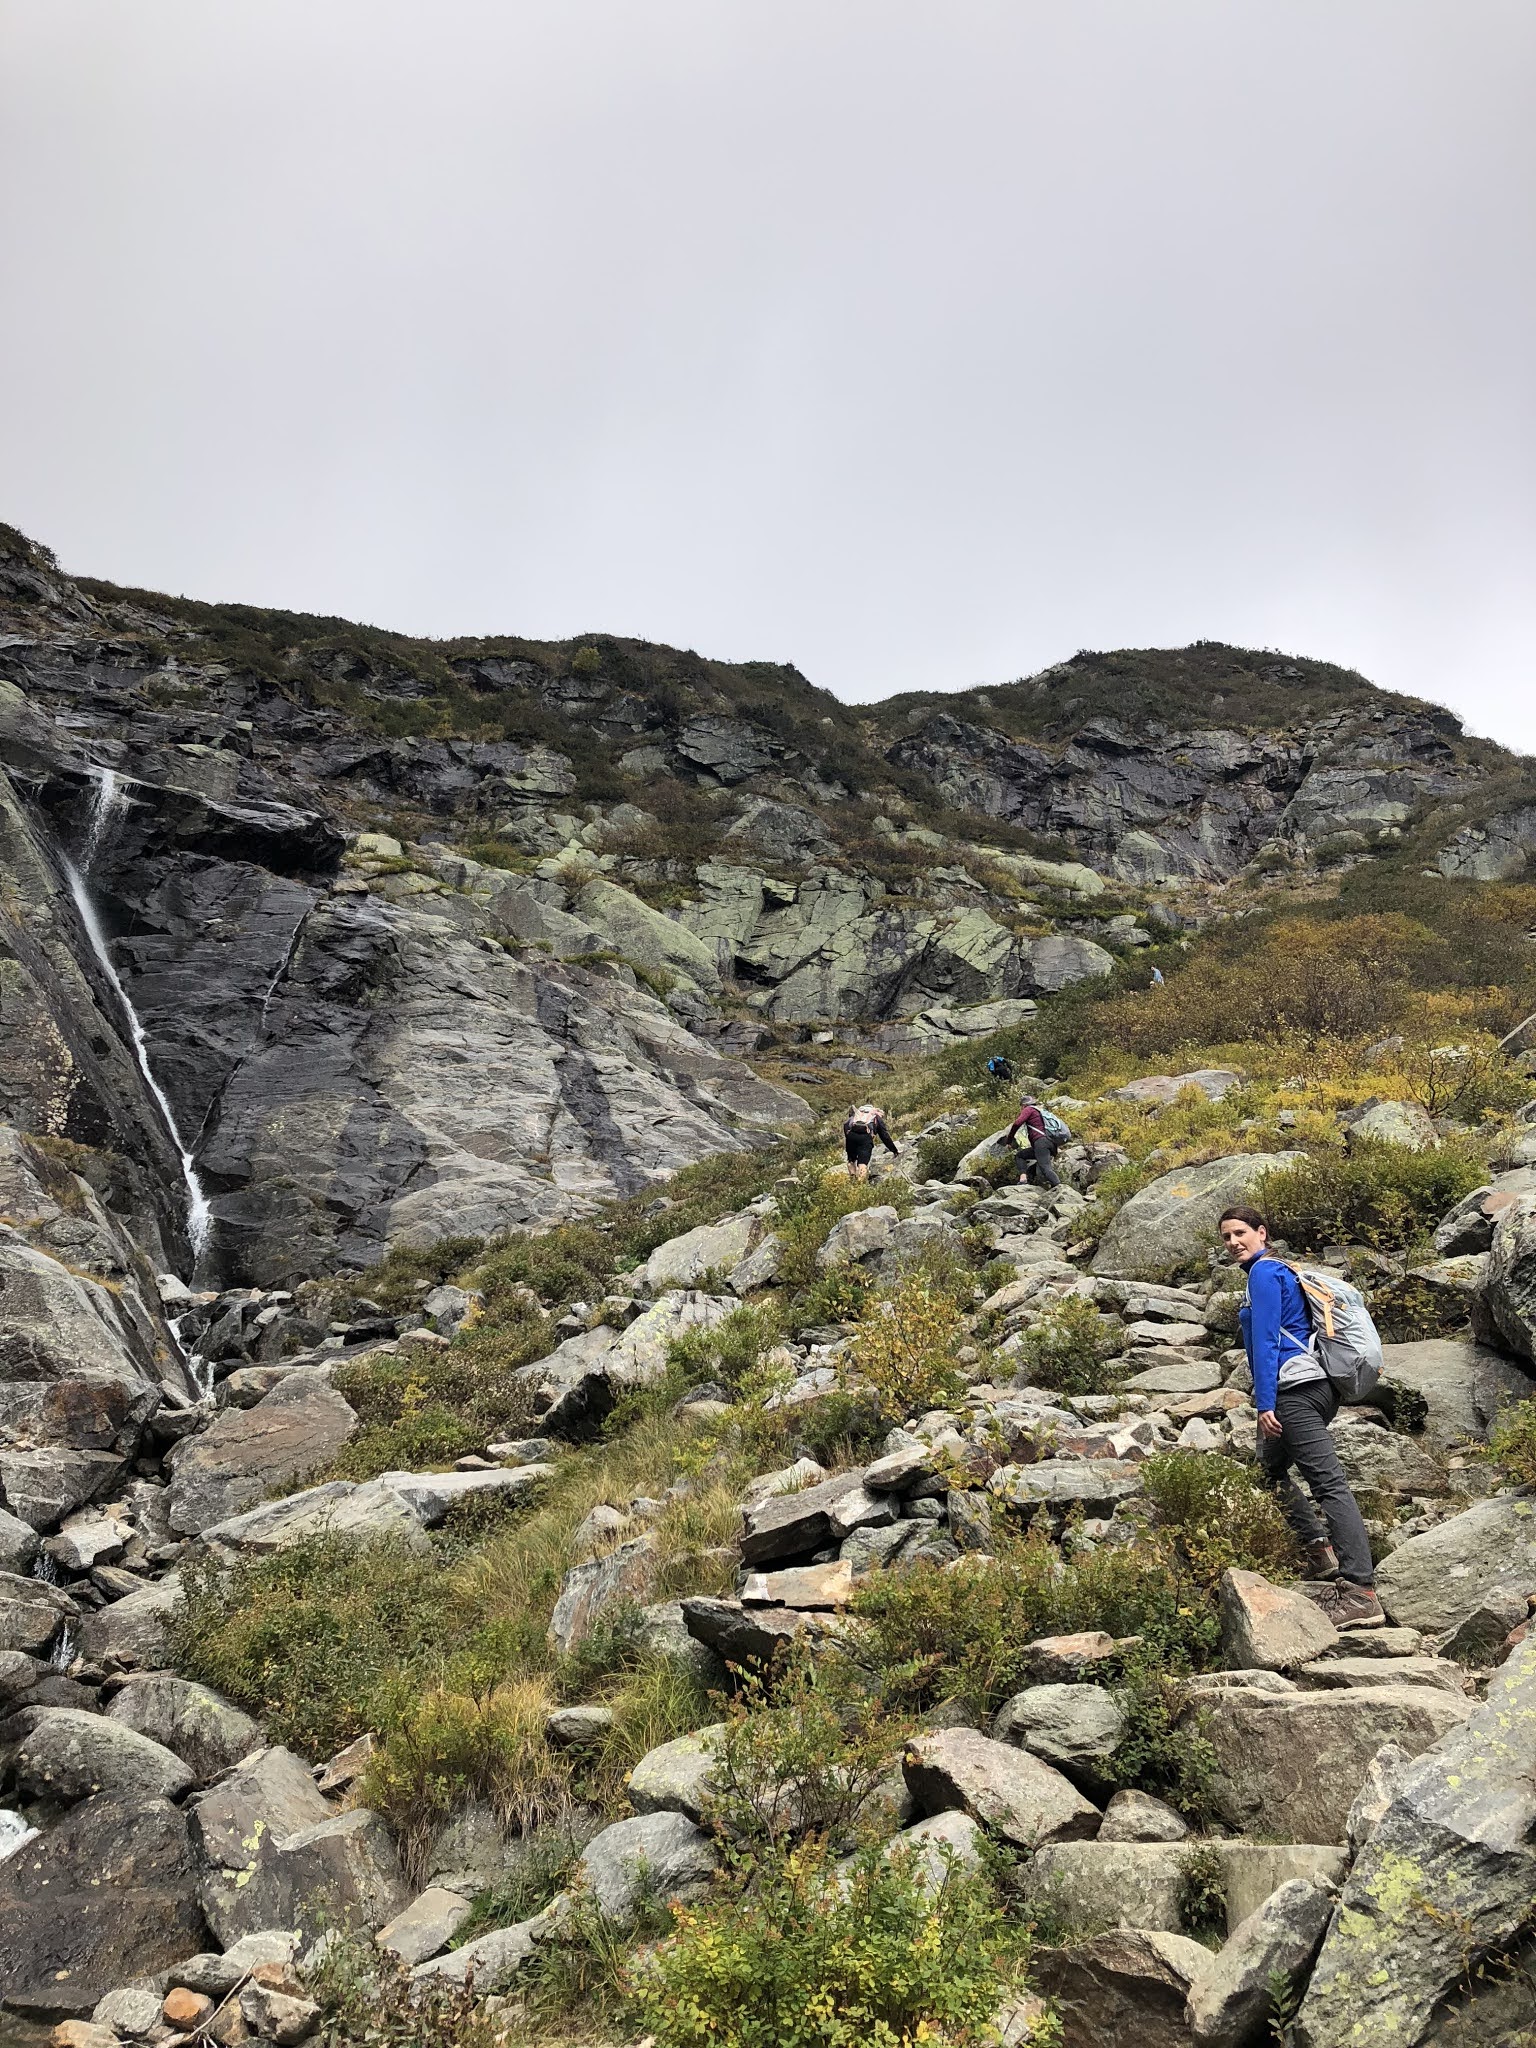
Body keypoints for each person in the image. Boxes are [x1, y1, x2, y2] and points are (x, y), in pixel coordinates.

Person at [1219, 1204, 1384, 1628]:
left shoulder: (1264, 1273)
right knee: (1268, 1470)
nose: (1234, 1242)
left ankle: (1360, 1591)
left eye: (1240, 1233)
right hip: (1316, 1386)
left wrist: (1265, 1403)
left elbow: (1268, 1340)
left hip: (1294, 1392)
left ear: (1261, 1232)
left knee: (1329, 1485)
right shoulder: (1282, 1270)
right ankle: (1318, 1549)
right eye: (1226, 1237)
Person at [1004, 1094, 1061, 1189]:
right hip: (1050, 1143)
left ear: (1023, 1105)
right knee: (1020, 1155)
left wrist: (1009, 1140)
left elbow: (1017, 1123)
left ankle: (1060, 1187)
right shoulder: (1040, 1111)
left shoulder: (1029, 1109)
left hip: (1041, 1142)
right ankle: (1023, 1179)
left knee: (1045, 1168)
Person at [843, 1102, 898, 1183]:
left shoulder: (856, 1114)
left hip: (851, 1136)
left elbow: (846, 1125)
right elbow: (884, 1136)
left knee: (851, 1160)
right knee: (862, 1163)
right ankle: (859, 1185)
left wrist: (849, 1138)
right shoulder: (875, 1117)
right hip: (865, 1138)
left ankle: (852, 1180)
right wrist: (894, 1150)